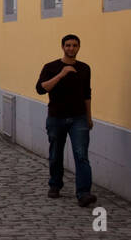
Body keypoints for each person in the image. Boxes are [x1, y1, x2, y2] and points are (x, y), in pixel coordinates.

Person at [36, 34, 97, 207]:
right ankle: (55, 185)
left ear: (79, 47)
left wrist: (89, 117)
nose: (71, 48)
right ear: (62, 47)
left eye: (75, 45)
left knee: (81, 155)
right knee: (56, 154)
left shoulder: (85, 68)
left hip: (79, 118)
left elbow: (87, 94)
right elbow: (41, 89)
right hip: (56, 117)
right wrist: (61, 74)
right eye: (68, 45)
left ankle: (84, 193)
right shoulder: (51, 67)